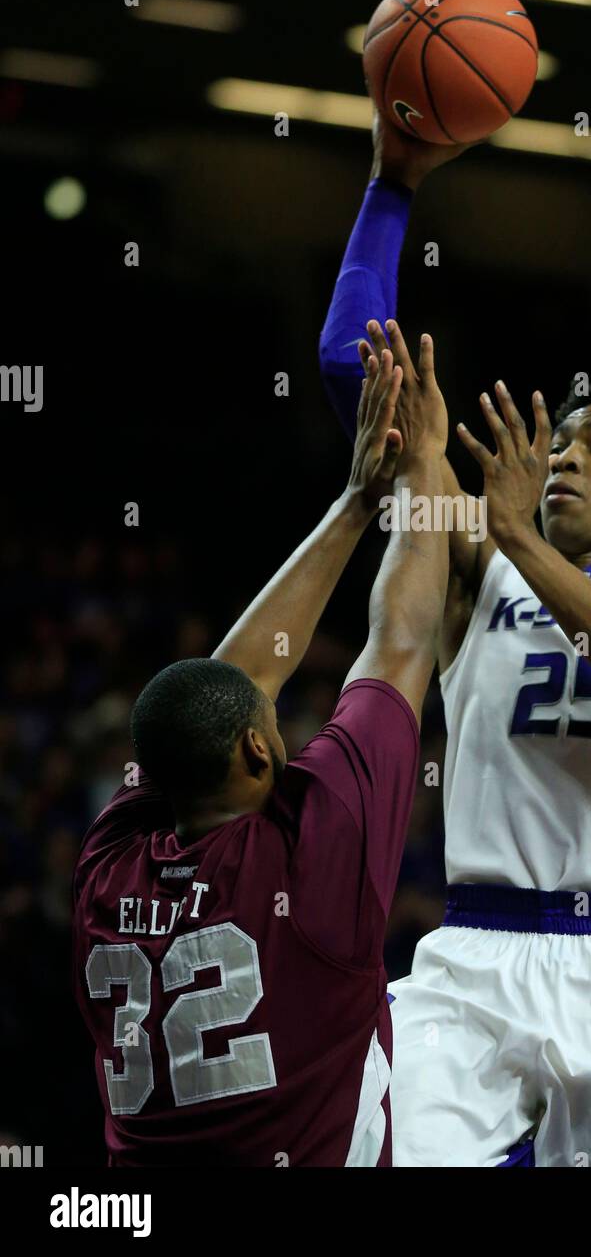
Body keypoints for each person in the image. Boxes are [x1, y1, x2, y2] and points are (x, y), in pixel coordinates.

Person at [317, 111, 591, 1166]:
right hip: (474, 953)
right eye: (554, 439)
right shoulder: (475, 553)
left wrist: (516, 534)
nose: (560, 455)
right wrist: (391, 183)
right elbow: (354, 375)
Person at [72, 335, 449, 1166]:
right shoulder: (316, 851)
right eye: (269, 721)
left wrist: (356, 503)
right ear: (253, 747)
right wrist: (420, 469)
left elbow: (224, 688)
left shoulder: (108, 867)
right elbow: (403, 635)